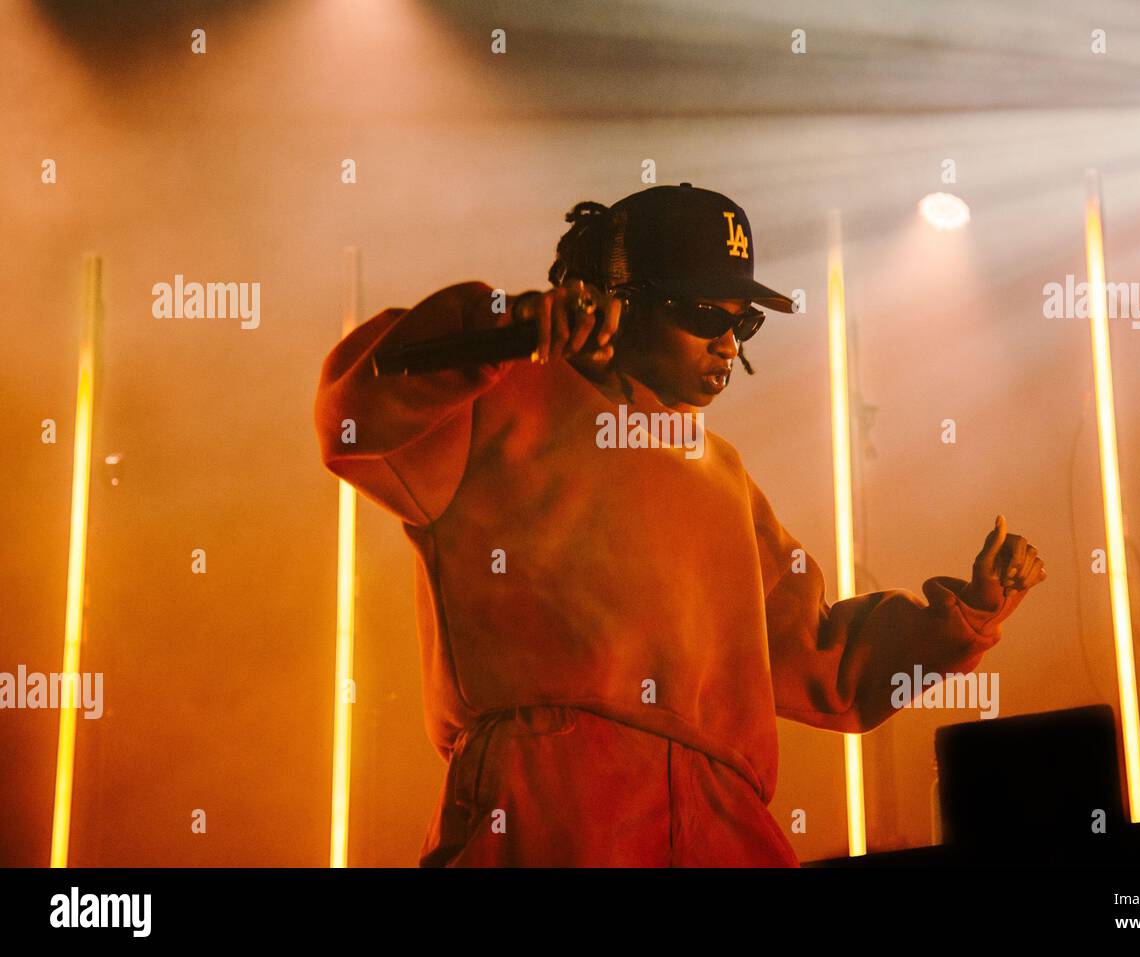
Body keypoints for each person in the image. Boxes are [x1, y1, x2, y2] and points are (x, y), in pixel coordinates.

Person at [313, 183, 1045, 867]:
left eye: (745, 319)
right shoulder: (499, 403)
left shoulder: (724, 476)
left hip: (724, 821)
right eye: (704, 314)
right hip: (552, 809)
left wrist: (962, 618)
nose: (730, 341)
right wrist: (498, 330)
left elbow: (828, 663)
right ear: (616, 300)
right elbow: (352, 415)